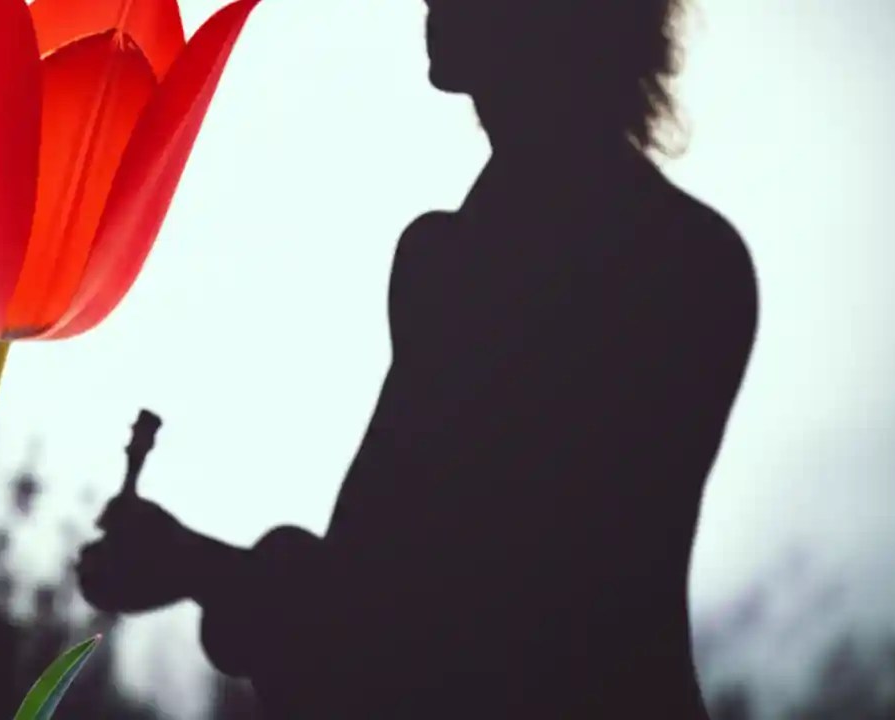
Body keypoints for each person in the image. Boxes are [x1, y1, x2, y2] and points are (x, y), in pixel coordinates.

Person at [77, 1, 758, 717]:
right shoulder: (697, 257)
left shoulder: (474, 267)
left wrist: (194, 564)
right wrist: (201, 565)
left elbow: (416, 631)